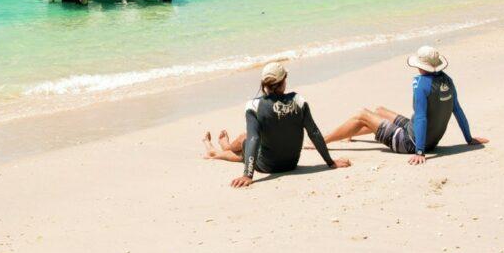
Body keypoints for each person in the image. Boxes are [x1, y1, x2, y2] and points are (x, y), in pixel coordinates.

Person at [318, 45, 487, 165]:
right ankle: (348, 134)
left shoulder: (421, 84)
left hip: (409, 142)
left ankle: (322, 141)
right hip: (428, 138)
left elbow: (420, 117)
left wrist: (419, 151)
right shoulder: (447, 80)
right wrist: (469, 138)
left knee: (362, 114)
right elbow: (456, 109)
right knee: (379, 111)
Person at [201, 62, 351, 187]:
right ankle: (218, 151)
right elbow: (314, 132)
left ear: (263, 84)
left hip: (267, 167)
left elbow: (254, 139)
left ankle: (221, 150)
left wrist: (248, 175)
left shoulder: (254, 105)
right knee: (251, 142)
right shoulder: (299, 100)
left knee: (245, 139)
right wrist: (331, 163)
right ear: (284, 81)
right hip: (291, 163)